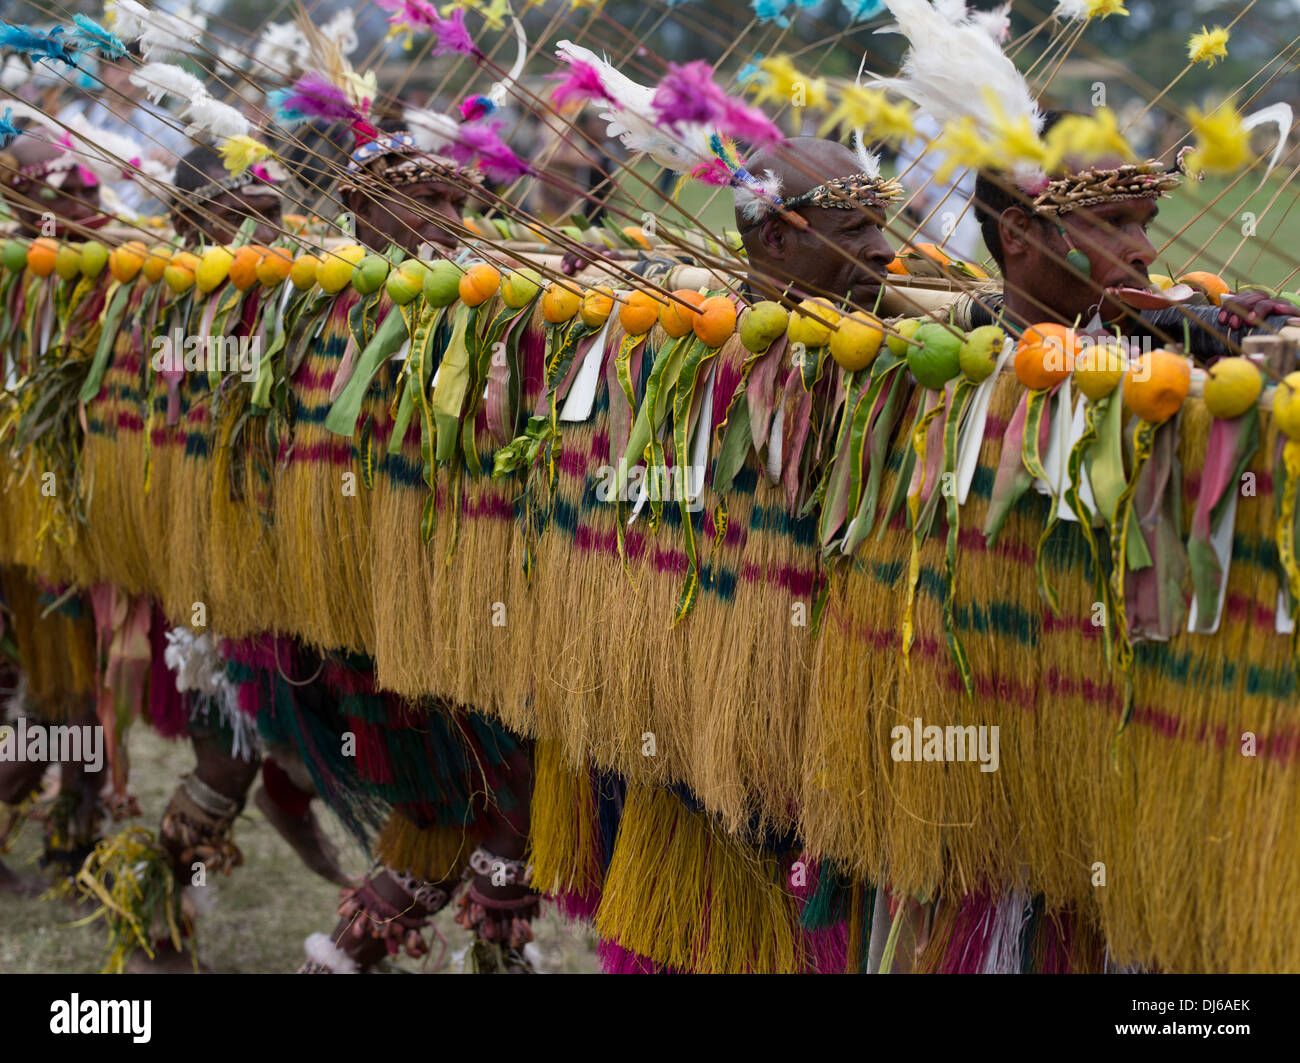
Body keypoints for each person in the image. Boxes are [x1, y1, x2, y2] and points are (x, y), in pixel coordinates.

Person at [968, 110, 1300, 355]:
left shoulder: (1177, 357)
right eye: (1110, 223)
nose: (1147, 251)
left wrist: (1258, 336)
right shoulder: (948, 373)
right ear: (1017, 234)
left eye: (1144, 226)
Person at [734, 136, 898, 312]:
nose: (887, 251)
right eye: (855, 229)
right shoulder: (710, 328)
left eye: (879, 228)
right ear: (776, 238)